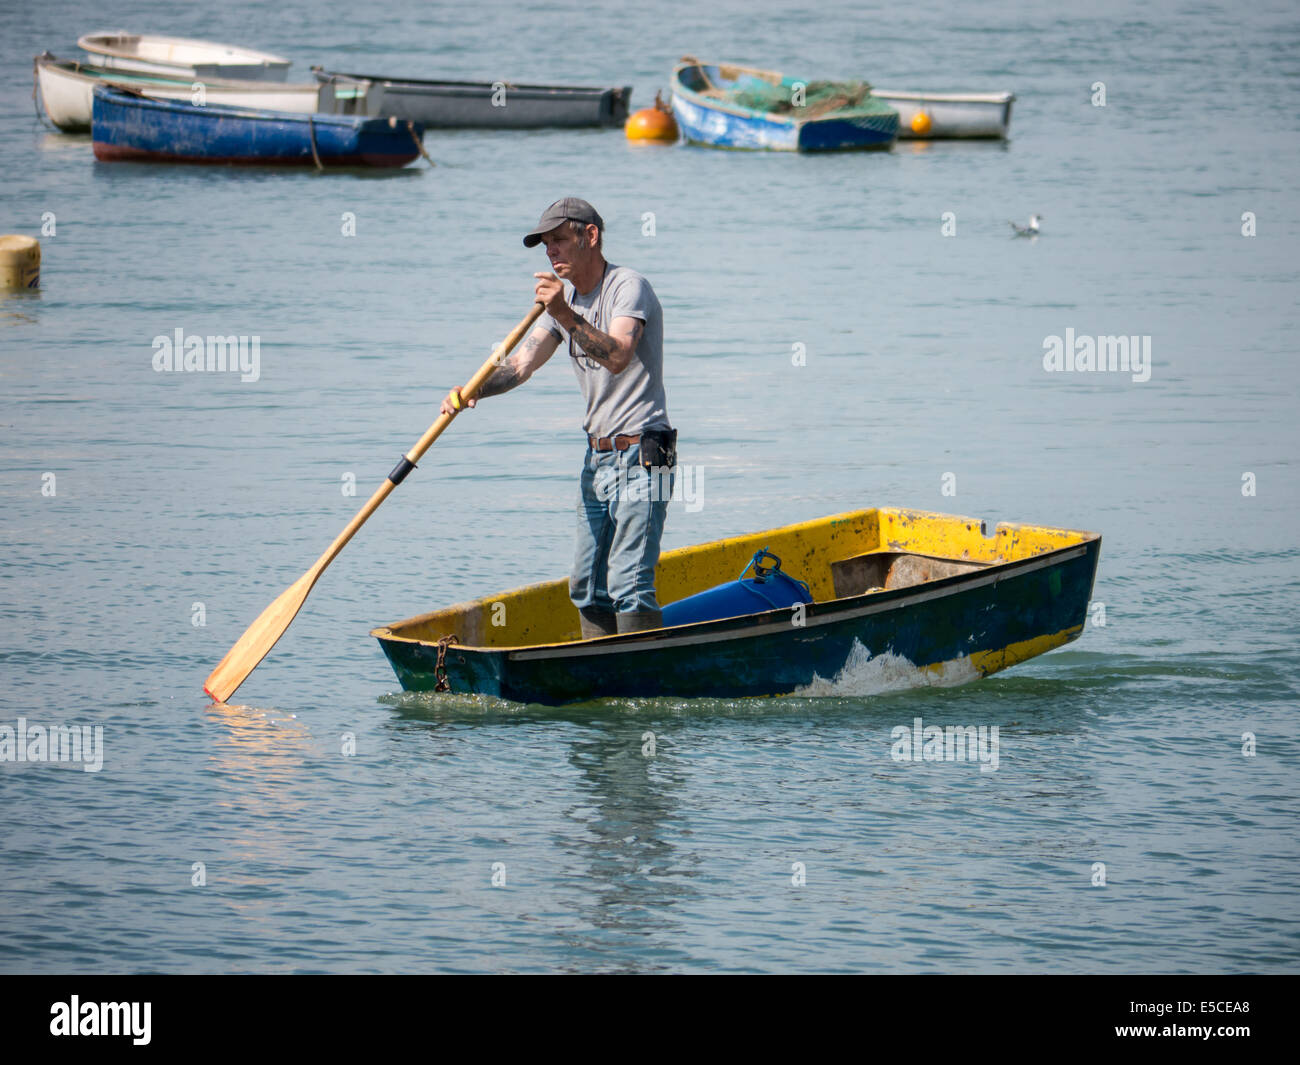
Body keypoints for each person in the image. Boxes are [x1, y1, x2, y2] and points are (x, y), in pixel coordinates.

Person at [440, 197, 676, 637]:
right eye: (546, 245)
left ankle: (639, 687)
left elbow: (619, 356)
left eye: (559, 241)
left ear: (590, 236)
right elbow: (520, 366)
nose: (551, 252)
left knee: (629, 584)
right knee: (587, 587)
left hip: (647, 452)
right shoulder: (560, 306)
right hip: (598, 457)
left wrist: (563, 313)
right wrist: (472, 391)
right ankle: (603, 676)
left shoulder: (628, 286)